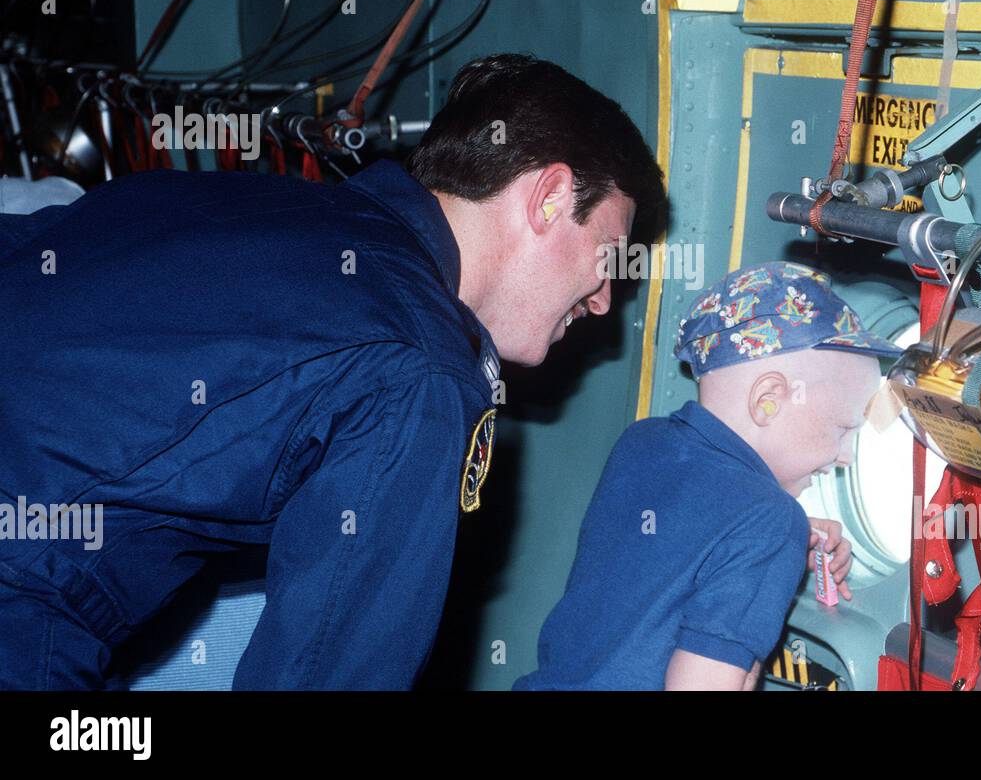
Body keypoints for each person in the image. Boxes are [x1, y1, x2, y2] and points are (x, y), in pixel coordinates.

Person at [0, 53, 665, 689]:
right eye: (610, 252)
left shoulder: (240, 205)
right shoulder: (417, 370)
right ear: (549, 197)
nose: (606, 299)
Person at [515, 261, 901, 690]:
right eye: (842, 429)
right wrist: (777, 536)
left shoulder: (642, 443)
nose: (846, 456)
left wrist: (781, 542)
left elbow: (673, 539)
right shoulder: (769, 521)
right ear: (769, 400)